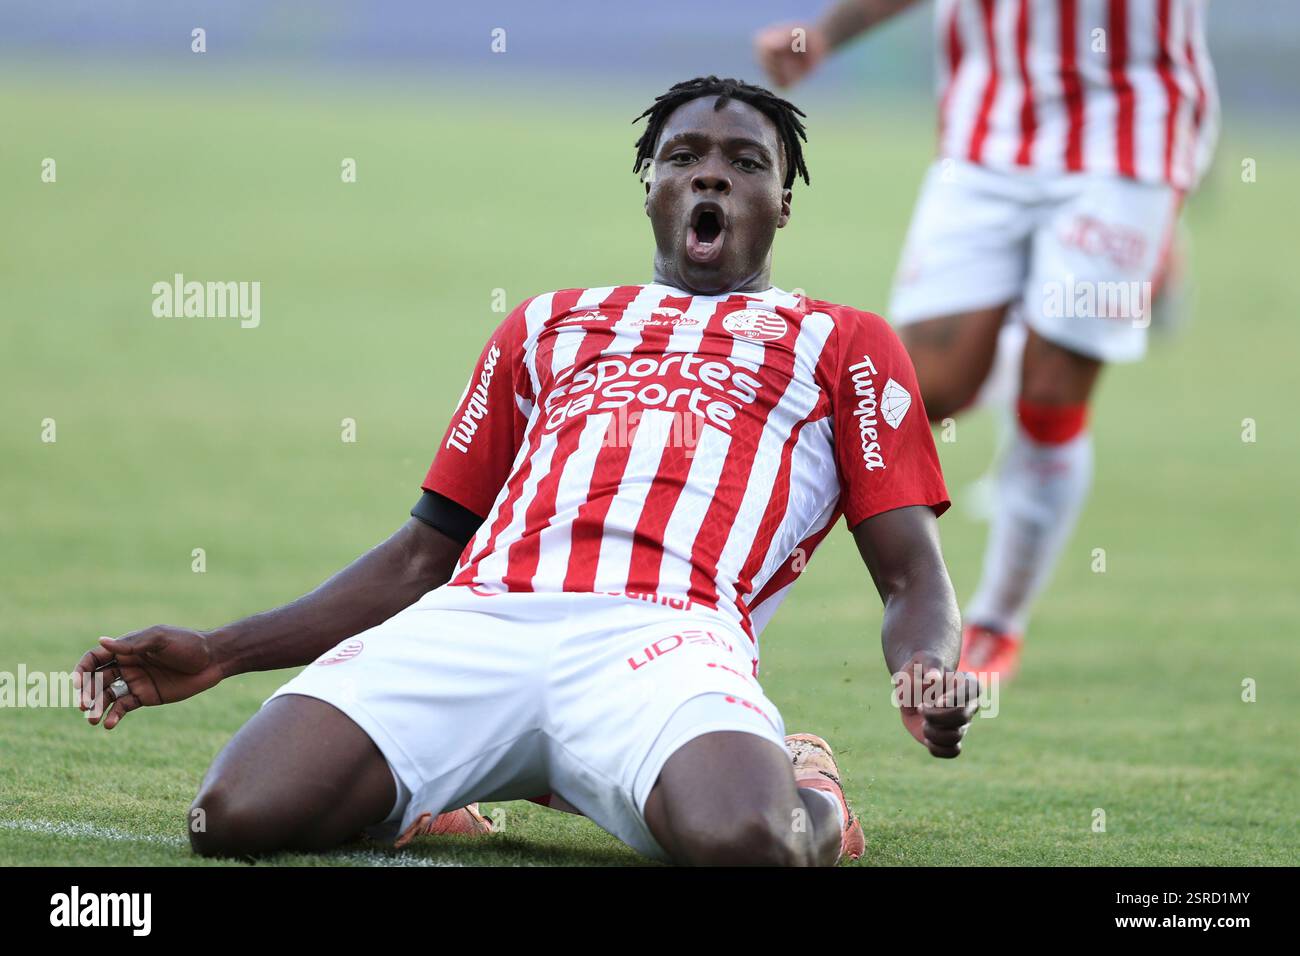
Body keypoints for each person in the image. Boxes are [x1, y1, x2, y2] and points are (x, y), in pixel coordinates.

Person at [73, 76, 977, 866]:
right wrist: (221, 652)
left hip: (663, 639)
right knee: (229, 818)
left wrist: (925, 670)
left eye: (746, 162)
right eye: (683, 156)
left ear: (783, 203)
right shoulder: (548, 324)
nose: (711, 173)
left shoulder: (845, 342)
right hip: (478, 622)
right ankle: (431, 791)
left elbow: (910, 575)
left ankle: (811, 784)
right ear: (651, 187)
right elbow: (422, 559)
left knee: (753, 841)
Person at [756, 0, 1219, 681]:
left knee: (1052, 392)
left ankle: (996, 624)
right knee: (916, 394)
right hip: (990, 127)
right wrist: (825, 34)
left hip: (1131, 132)